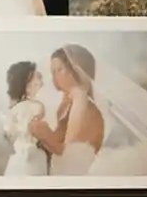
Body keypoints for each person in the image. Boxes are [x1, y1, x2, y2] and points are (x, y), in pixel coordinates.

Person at [30, 46, 104, 175]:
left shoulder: (81, 101)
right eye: (52, 72)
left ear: (76, 70)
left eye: (59, 70)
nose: (54, 77)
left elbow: (69, 152)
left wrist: (45, 134)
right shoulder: (67, 103)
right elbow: (59, 142)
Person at [1, 61, 49, 176]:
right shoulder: (38, 107)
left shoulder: (14, 109)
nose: (41, 82)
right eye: (37, 79)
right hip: (33, 159)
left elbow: (10, 133)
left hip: (17, 160)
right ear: (27, 86)